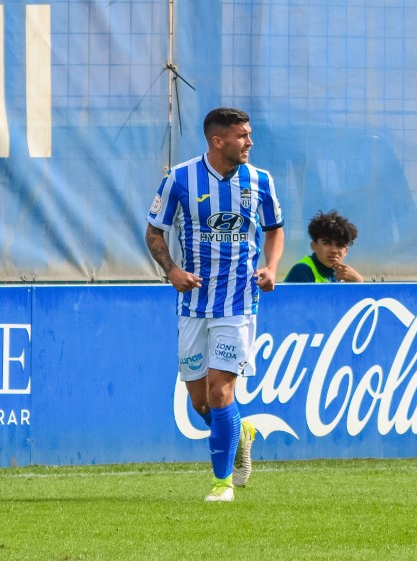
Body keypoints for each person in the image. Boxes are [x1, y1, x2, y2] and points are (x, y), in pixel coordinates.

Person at [145, 107, 285, 502]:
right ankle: (240, 432)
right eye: (242, 136)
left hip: (238, 301)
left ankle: (222, 485)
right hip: (192, 303)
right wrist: (171, 270)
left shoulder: (260, 180)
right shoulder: (180, 178)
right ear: (217, 140)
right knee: (200, 401)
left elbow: (275, 230)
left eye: (249, 134)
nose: (250, 142)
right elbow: (154, 231)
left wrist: (271, 268)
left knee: (221, 390)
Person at [284, 210, 363, 283]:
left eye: (339, 245)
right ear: (313, 246)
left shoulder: (343, 276)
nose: (334, 250)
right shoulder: (302, 270)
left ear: (346, 251)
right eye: (327, 243)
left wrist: (359, 282)